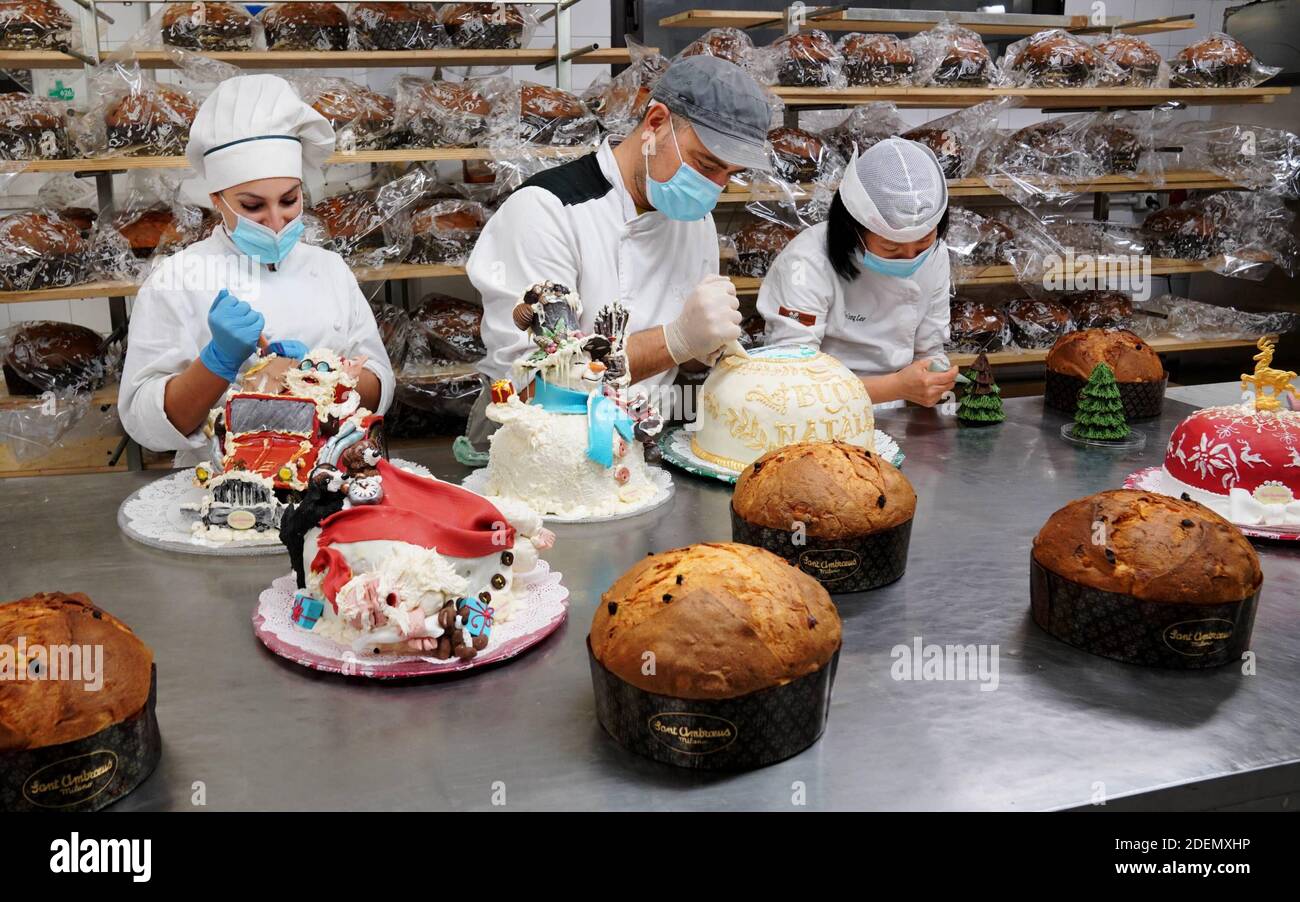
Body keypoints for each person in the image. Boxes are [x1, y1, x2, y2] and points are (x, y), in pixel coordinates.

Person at [465, 53, 774, 443]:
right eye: (707, 164)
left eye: (731, 175)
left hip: (643, 438)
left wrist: (709, 345)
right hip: (541, 448)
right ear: (656, 122)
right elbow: (534, 381)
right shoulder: (546, 210)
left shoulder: (696, 220)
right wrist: (677, 339)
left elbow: (682, 357)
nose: (715, 187)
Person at [119, 74, 394, 466]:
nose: (276, 221)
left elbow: (380, 384)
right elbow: (144, 422)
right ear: (217, 198)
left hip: (329, 475)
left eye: (289, 199)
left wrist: (321, 374)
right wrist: (216, 362)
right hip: (220, 486)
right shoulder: (178, 278)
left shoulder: (329, 269)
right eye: (252, 206)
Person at [757, 137, 958, 408]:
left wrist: (935, 378)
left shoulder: (936, 254)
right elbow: (793, 377)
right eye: (891, 247)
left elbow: (929, 348)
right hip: (817, 411)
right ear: (854, 230)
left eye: (923, 242)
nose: (911, 257)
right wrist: (896, 387)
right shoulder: (805, 262)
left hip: (898, 409)